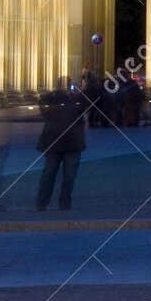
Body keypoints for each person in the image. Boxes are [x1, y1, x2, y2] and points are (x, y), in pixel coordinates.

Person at [35, 77, 87, 211]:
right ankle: (53, 202)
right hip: (66, 142)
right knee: (59, 174)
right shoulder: (54, 99)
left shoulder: (75, 99)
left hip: (62, 142)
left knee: (54, 174)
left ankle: (49, 202)